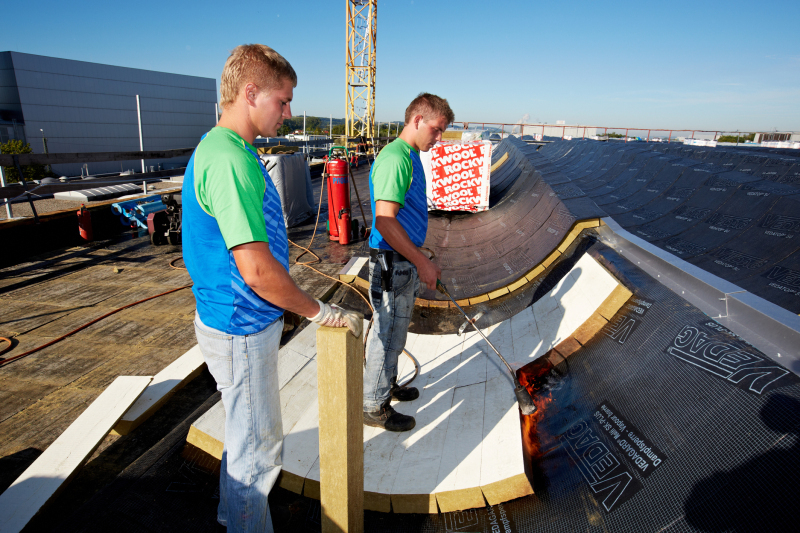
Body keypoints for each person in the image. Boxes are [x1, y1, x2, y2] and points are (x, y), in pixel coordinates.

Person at [181, 44, 362, 532]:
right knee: (258, 452)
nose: (288, 113)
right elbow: (257, 271)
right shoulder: (230, 161)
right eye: (282, 101)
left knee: (245, 441)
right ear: (250, 91)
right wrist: (317, 311)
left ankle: (232, 517)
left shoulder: (226, 149)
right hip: (240, 326)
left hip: (232, 319)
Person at [363, 93, 454, 431]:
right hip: (392, 263)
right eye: (436, 129)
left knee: (396, 332)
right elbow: (385, 221)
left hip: (403, 262)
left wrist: (418, 254)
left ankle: (386, 385)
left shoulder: (411, 156)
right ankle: (373, 404)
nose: (439, 137)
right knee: (386, 334)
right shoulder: (396, 158)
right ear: (417, 120)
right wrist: (423, 262)